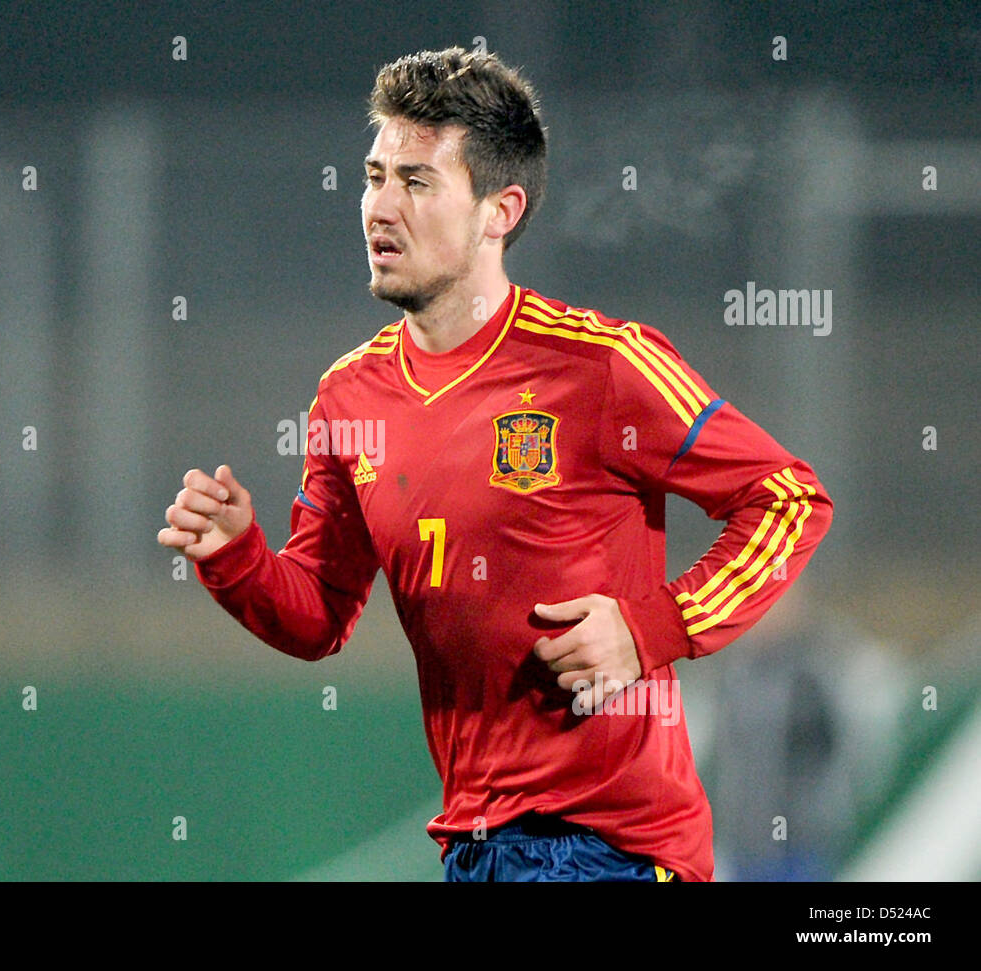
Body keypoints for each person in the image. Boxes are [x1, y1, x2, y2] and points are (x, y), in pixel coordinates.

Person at [157, 47, 833, 882]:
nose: (379, 207)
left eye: (416, 182)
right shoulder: (348, 398)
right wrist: (237, 557)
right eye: (373, 177)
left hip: (614, 848)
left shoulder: (603, 365)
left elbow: (789, 498)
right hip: (476, 849)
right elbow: (320, 614)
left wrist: (650, 629)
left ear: (498, 211)